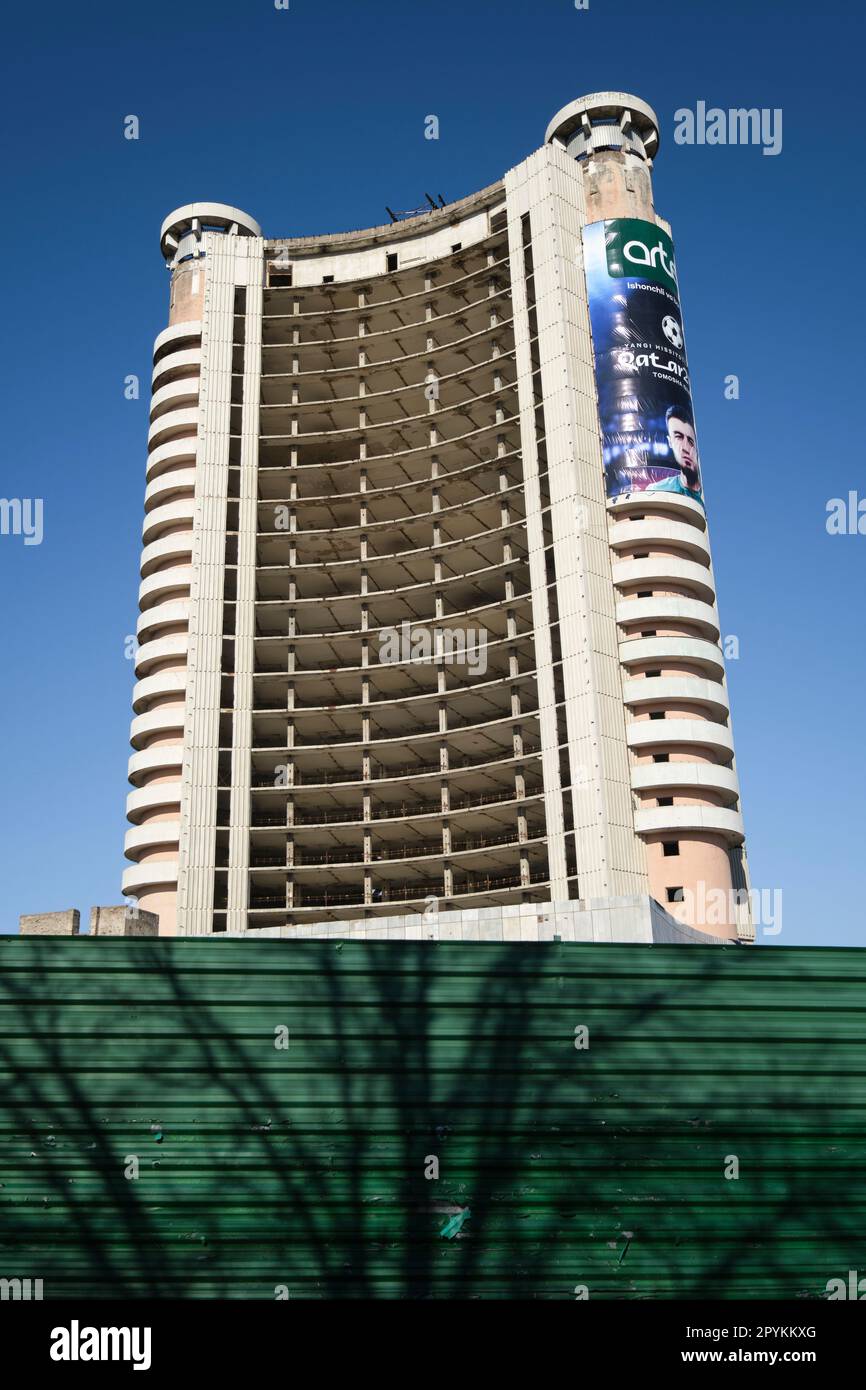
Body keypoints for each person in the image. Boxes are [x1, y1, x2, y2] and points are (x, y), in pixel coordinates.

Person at [653, 404, 702, 500]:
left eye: (690, 441)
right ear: (670, 442)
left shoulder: (707, 492)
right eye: (679, 437)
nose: (685, 448)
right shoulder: (658, 490)